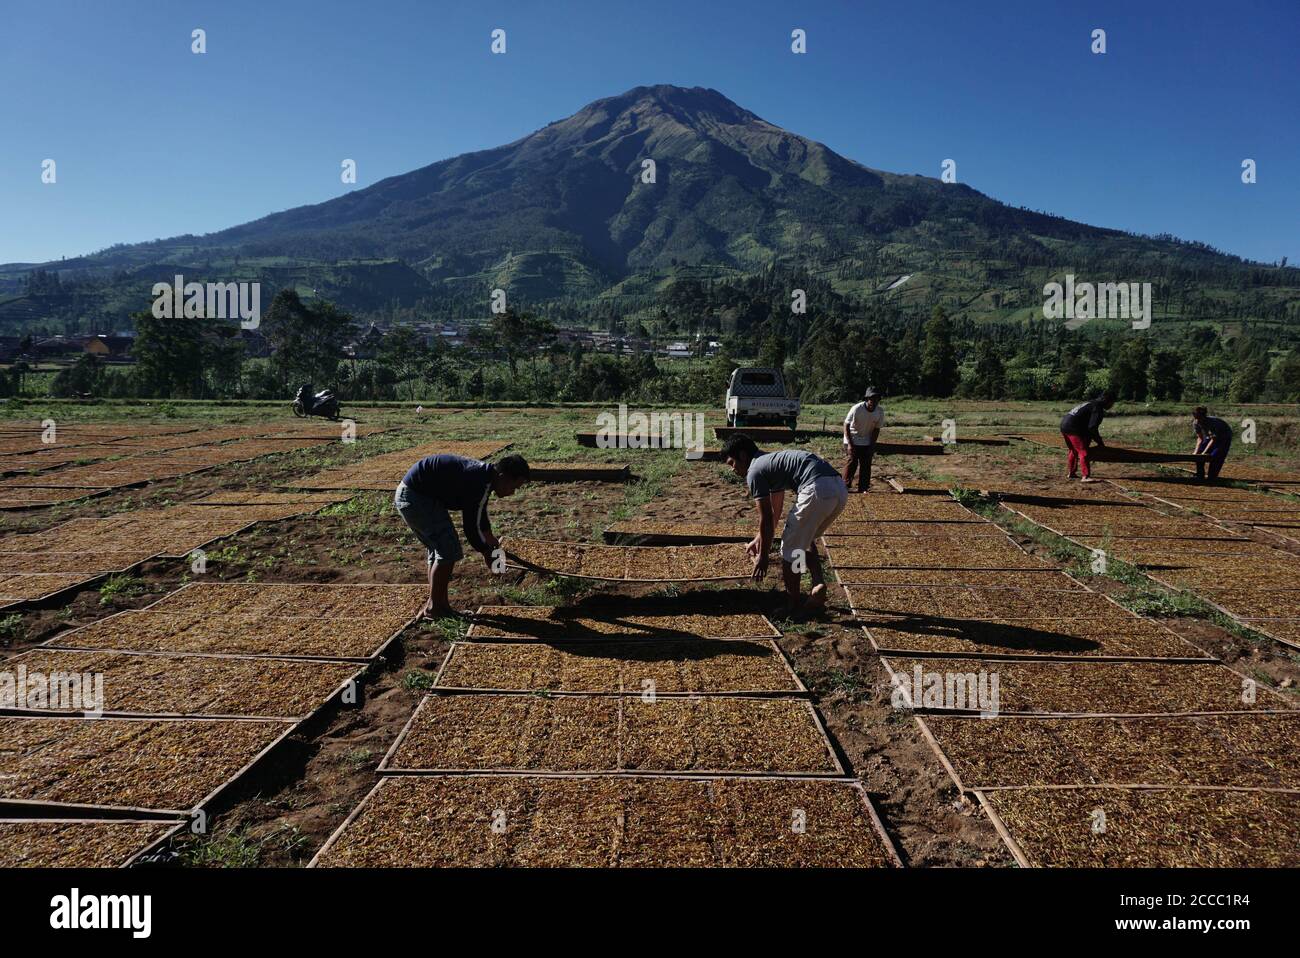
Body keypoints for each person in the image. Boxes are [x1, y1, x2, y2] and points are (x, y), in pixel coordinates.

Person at [720, 435, 849, 617]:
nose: (733, 469)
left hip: (816, 488)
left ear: (742, 455)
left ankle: (792, 605)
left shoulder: (754, 471)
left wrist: (763, 557)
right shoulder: (771, 462)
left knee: (789, 549)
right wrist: (759, 539)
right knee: (804, 539)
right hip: (838, 488)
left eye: (732, 463)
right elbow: (774, 512)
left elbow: (765, 516)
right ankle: (817, 584)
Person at [394, 453, 530, 618]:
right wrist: (487, 552)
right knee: (448, 551)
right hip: (417, 498)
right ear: (503, 476)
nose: (513, 493)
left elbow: (480, 513)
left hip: (415, 494)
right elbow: (471, 528)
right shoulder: (479, 482)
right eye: (514, 487)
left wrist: (490, 539)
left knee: (439, 549)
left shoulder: (485, 476)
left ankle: (439, 605)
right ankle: (435, 608)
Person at [1059, 391, 1115, 483]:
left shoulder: (1091, 403)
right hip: (1073, 427)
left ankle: (1071, 473)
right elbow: (1092, 427)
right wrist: (1099, 442)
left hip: (1064, 425)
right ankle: (1085, 476)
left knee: (1073, 450)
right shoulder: (1097, 408)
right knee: (1083, 451)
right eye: (1112, 403)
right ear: (1106, 401)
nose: (1112, 405)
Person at [843, 387, 884, 493]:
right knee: (852, 462)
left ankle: (863, 487)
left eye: (876, 400)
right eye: (871, 399)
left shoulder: (879, 412)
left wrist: (872, 445)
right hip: (852, 438)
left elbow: (876, 429)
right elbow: (846, 426)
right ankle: (845, 486)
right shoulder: (857, 408)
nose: (874, 402)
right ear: (867, 399)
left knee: (866, 463)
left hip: (866, 439)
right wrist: (850, 445)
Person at [1192, 406, 1232, 480]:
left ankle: (1211, 477)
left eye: (1199, 418)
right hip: (1210, 437)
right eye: (1196, 417)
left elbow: (1214, 440)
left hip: (1224, 437)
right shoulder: (1196, 423)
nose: (1197, 420)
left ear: (1204, 416)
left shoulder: (1212, 423)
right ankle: (1200, 475)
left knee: (1215, 456)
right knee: (1198, 455)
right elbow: (1200, 438)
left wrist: (1204, 452)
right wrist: (1196, 452)